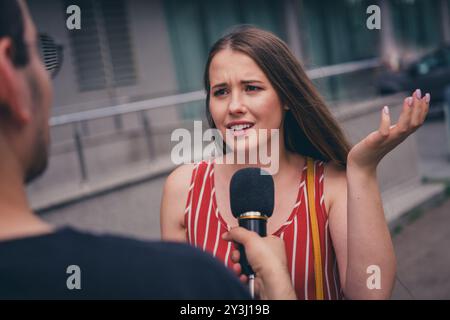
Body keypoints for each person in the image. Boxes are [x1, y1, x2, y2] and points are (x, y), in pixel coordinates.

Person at [0, 0, 256, 300]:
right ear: (8, 79)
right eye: (40, 51)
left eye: (252, 87)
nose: (236, 106)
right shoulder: (187, 279)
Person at [160, 26, 430, 300]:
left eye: (251, 88)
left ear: (286, 97)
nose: (234, 106)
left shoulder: (331, 186)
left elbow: (372, 295)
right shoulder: (184, 188)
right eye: (221, 92)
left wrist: (362, 170)